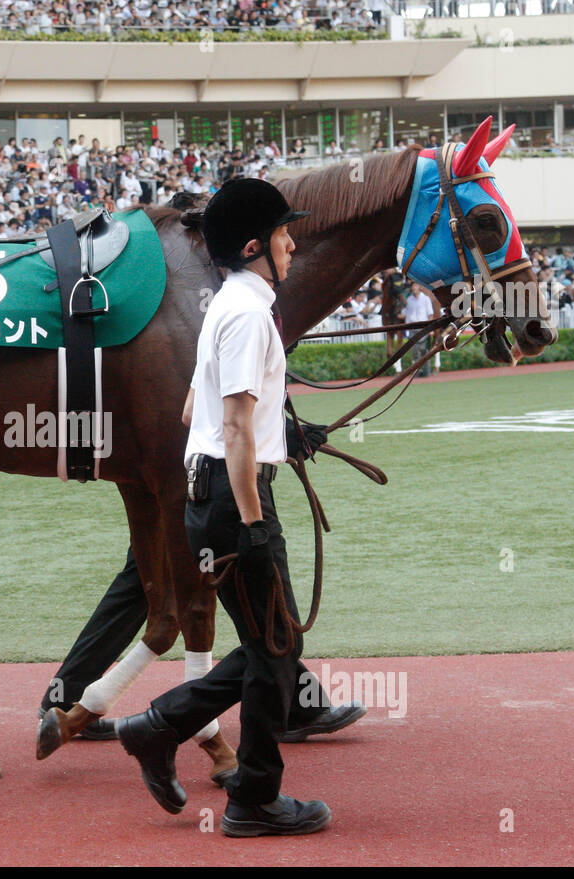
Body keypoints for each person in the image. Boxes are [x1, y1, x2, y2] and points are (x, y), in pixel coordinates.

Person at [116, 178, 336, 837]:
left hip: (216, 489)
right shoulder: (246, 313)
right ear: (252, 246)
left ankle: (160, 729)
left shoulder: (230, 303)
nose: (293, 243)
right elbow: (233, 426)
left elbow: (195, 408)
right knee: (275, 645)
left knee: (277, 642)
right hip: (234, 499)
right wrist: (252, 516)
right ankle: (252, 800)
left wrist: (281, 436)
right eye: (281, 235)